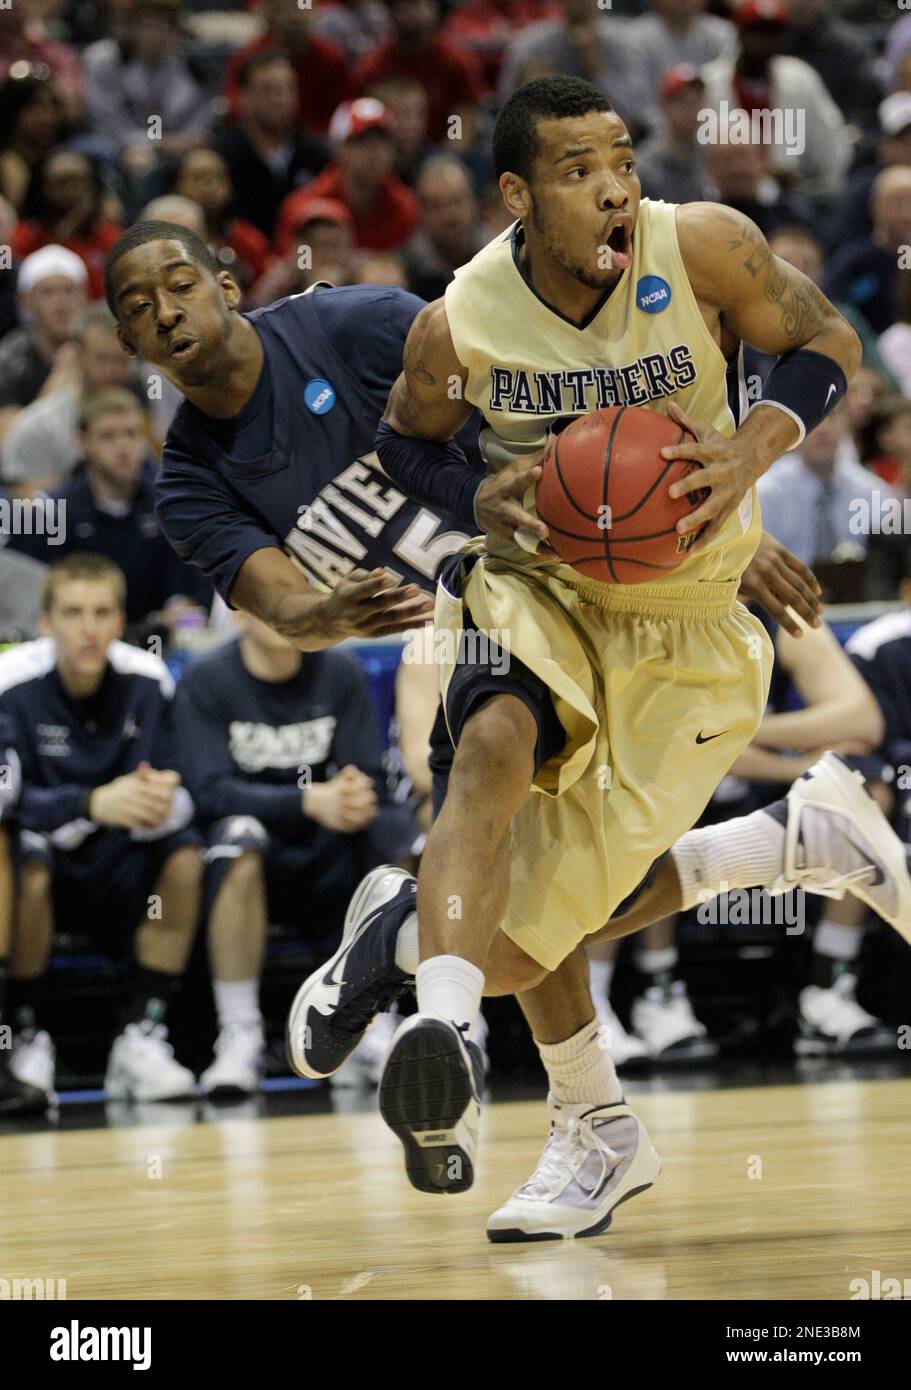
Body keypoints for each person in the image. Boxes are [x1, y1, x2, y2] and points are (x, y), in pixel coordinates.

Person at [289, 75, 910, 1243]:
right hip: (537, 583)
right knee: (491, 744)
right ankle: (447, 1022)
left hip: (691, 623)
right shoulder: (458, 318)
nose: (613, 185)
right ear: (518, 195)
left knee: (527, 933)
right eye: (577, 170)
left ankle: (435, 943)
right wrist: (475, 489)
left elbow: (822, 338)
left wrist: (746, 458)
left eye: (619, 158)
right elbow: (400, 448)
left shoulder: (706, 246)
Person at [175, 611, 418, 1095]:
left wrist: (352, 793)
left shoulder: (339, 670)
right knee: (238, 839)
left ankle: (370, 1016)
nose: (283, 615)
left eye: (295, 601)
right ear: (239, 612)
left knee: (397, 835)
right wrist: (307, 800)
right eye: (269, 602)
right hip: (245, 863)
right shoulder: (206, 677)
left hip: (325, 851)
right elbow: (208, 791)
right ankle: (239, 1031)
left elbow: (363, 772)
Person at [0, 554, 203, 1108]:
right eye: (72, 613)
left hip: (122, 855)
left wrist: (161, 800)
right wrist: (92, 801)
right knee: (29, 856)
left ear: (119, 622)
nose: (87, 628)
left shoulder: (149, 677)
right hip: (41, 859)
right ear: (45, 622)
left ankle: (141, 1031)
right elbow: (6, 800)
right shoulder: (12, 682)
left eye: (101, 613)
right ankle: (22, 1033)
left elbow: (190, 790)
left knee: (185, 855)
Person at [6, 387, 210, 633]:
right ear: (82, 444)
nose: (123, 446)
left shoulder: (170, 506)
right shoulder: (52, 511)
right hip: (77, 640)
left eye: (132, 434)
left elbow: (193, 599)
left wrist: (183, 614)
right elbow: (20, 592)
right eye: (108, 436)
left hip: (157, 643)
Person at [1, 301, 150, 497]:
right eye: (102, 359)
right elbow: (32, 515)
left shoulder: (146, 419)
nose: (112, 371)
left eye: (120, 360)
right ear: (77, 356)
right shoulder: (38, 429)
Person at [273, 99, 419, 257]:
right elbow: (296, 268)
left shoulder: (405, 207)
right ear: (338, 149)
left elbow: (410, 270)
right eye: (361, 142)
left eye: (382, 142)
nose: (375, 153)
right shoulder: (302, 210)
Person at [214, 52, 329, 242]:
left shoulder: (316, 153)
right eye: (269, 90)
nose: (281, 100)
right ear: (244, 96)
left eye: (288, 89)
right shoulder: (223, 157)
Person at [0, 244, 87, 446]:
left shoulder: (102, 349)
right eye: (47, 292)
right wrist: (59, 378)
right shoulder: (8, 360)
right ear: (25, 301)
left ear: (84, 296)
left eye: (69, 290)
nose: (60, 303)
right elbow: (8, 438)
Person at [11, 148, 123, 302]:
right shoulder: (24, 235)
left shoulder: (110, 237)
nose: (72, 189)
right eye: (62, 182)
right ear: (43, 187)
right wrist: (64, 234)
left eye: (80, 181)